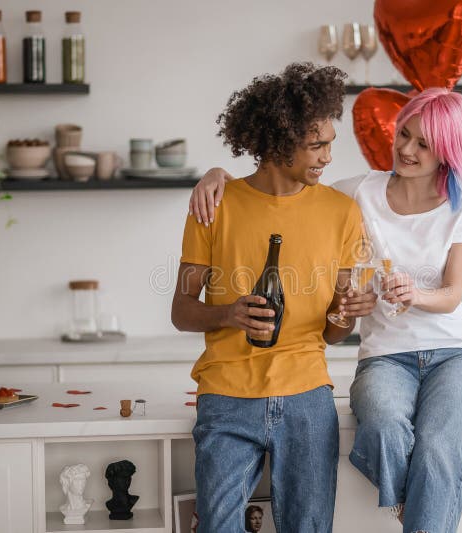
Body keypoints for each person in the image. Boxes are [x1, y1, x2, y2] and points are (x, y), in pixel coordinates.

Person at [188, 87, 462, 533]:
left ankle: (422, 516)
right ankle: (414, 495)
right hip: (384, 355)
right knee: (385, 424)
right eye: (404, 135)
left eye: (422, 143)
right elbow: (281, 187)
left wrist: (396, 299)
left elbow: (448, 294)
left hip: (449, 350)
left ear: (447, 150)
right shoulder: (356, 195)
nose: (406, 149)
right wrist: (218, 173)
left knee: (438, 443)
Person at [172, 62, 377, 533]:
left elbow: (333, 331)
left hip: (307, 393)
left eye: (329, 143)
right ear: (277, 142)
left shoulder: (342, 214)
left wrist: (347, 313)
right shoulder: (214, 204)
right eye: (316, 145)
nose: (327, 156)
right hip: (226, 394)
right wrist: (229, 312)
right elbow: (182, 311)